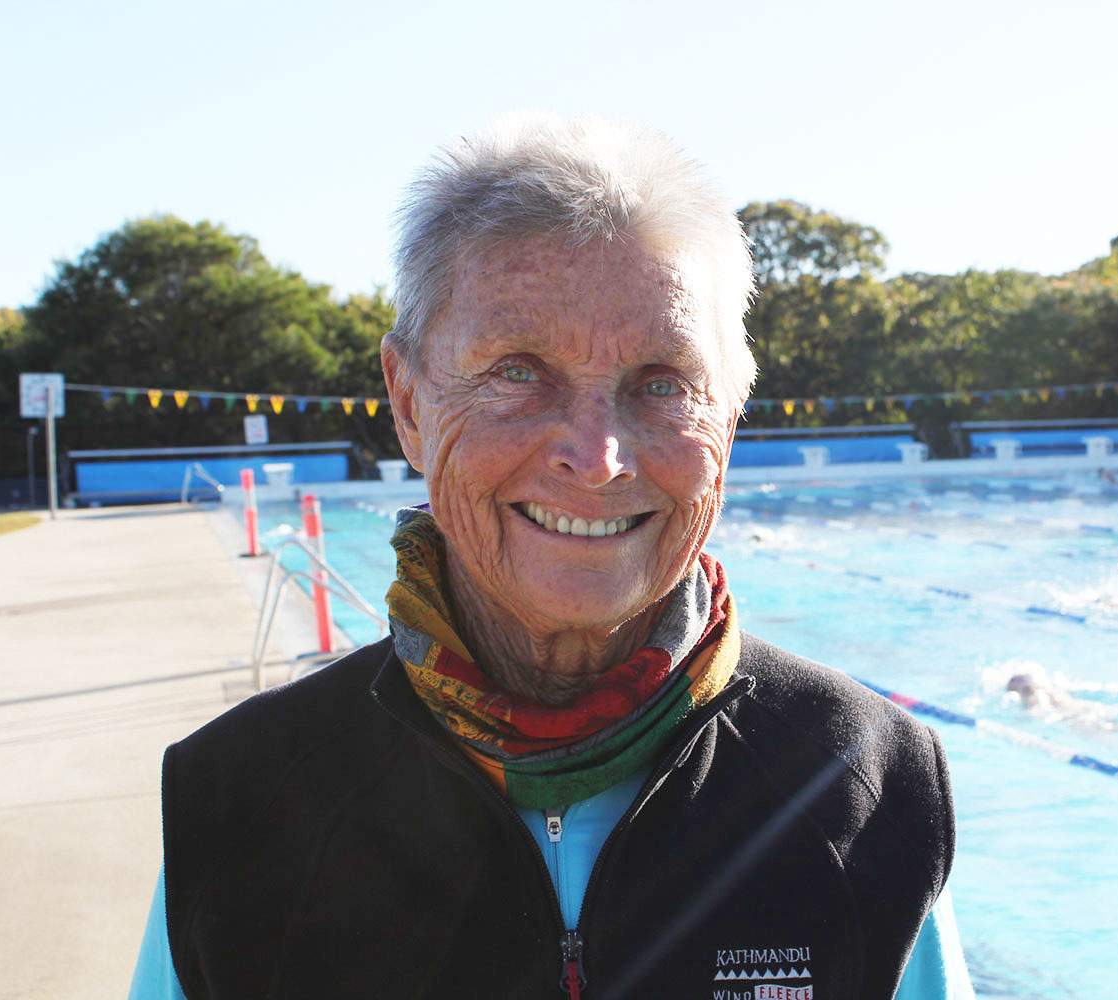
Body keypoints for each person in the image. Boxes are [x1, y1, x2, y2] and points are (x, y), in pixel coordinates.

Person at [128, 115, 973, 998]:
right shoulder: (242, 805)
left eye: (663, 383)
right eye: (519, 371)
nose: (597, 456)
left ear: (727, 420)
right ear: (408, 403)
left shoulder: (865, 784)